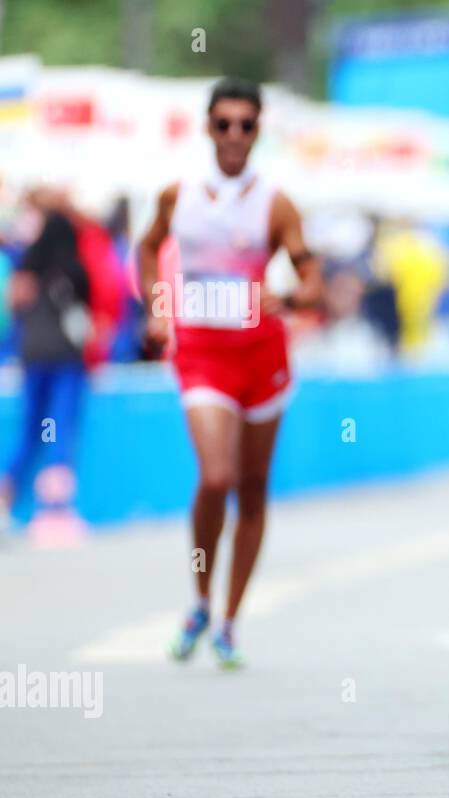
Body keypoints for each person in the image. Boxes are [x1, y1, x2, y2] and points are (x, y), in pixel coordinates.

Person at [136, 78, 321, 668]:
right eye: (224, 124)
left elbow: (310, 274)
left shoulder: (276, 201)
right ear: (208, 129)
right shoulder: (178, 194)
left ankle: (229, 620)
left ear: (259, 130)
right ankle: (198, 600)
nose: (235, 135)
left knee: (253, 487)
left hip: (262, 357)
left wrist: (290, 300)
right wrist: (158, 309)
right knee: (216, 477)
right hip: (202, 355)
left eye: (246, 124)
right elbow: (146, 250)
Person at [0, 206, 91, 528]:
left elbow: (14, 307)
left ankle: (5, 499)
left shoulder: (27, 266)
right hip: (63, 360)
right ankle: (55, 510)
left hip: (32, 357)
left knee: (32, 430)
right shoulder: (74, 270)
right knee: (56, 428)